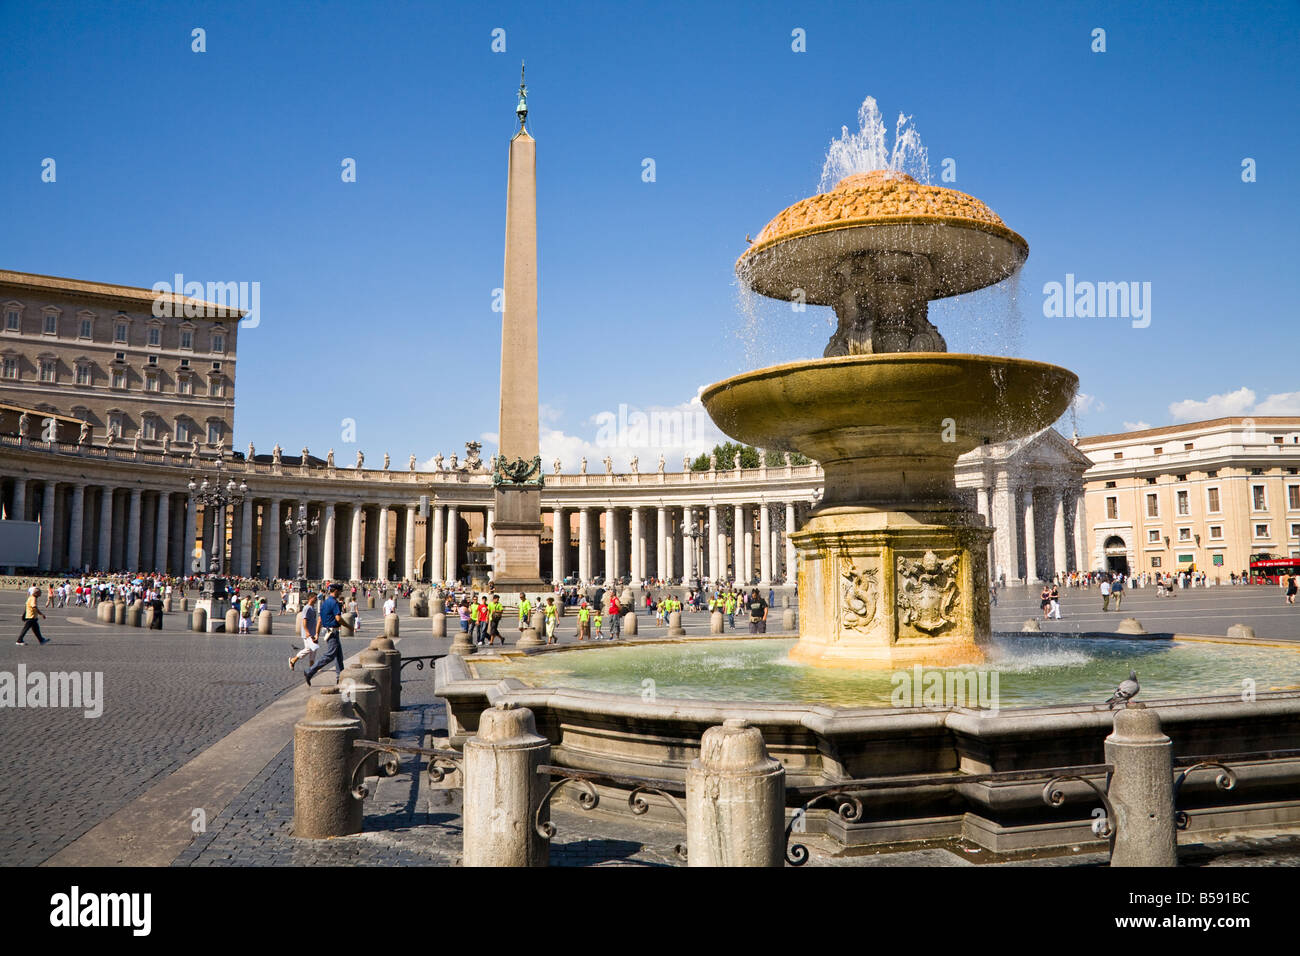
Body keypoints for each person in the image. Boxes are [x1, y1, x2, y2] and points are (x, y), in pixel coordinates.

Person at [304, 584, 345, 685]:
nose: (341, 593)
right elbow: (338, 618)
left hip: (328, 631)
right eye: (340, 591)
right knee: (330, 655)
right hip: (332, 632)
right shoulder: (334, 603)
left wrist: (317, 634)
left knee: (339, 656)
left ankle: (340, 677)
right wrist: (349, 626)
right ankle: (310, 671)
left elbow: (320, 620)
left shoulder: (325, 603)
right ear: (336, 591)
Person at [289, 591, 320, 671]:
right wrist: (307, 632)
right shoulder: (307, 608)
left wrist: (316, 633)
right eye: (315, 598)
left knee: (314, 650)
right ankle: (293, 660)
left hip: (312, 632)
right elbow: (304, 621)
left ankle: (311, 666)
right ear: (311, 598)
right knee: (309, 648)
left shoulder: (312, 608)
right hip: (308, 633)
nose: (316, 600)